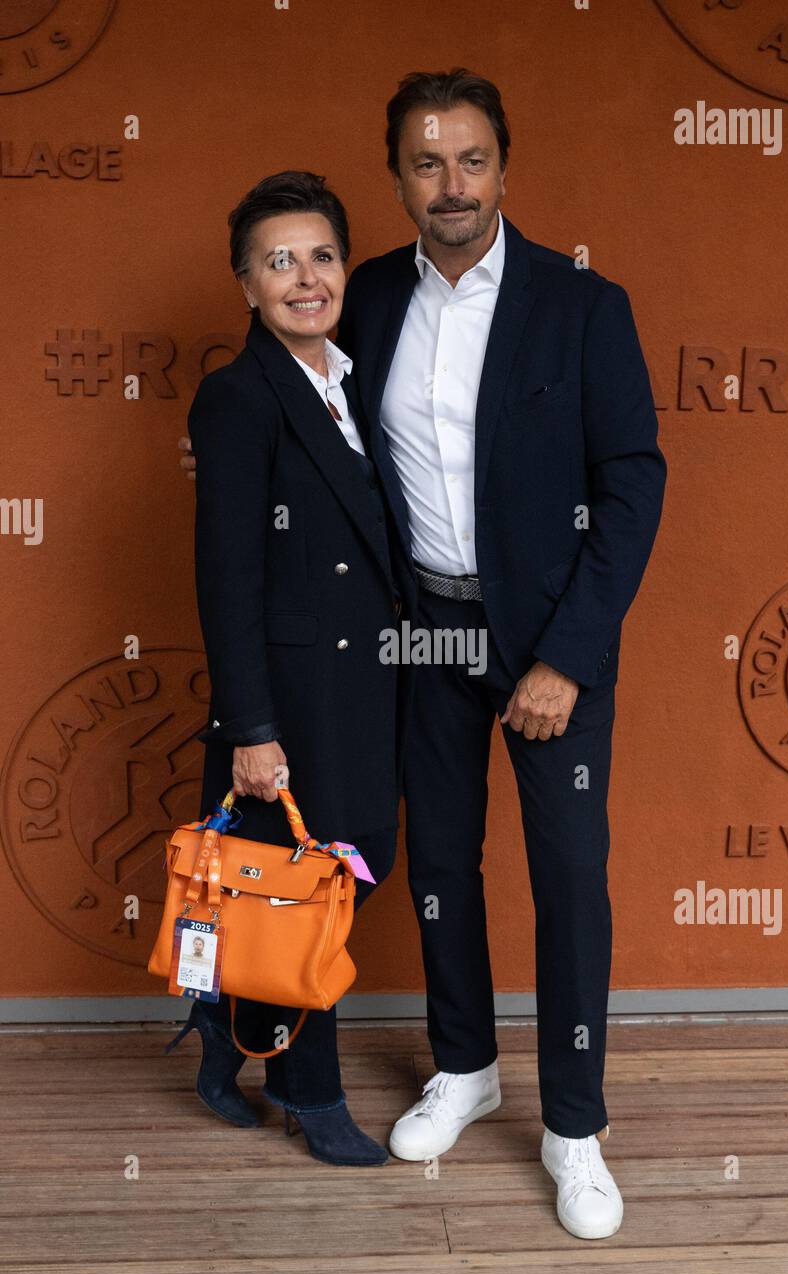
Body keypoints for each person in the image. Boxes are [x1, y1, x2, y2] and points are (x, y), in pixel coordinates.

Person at [181, 69, 667, 1239]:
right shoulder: (369, 297)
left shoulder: (581, 305)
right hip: (421, 635)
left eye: (470, 160)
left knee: (566, 884)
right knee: (439, 862)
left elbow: (632, 481)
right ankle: (463, 1067)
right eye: (423, 162)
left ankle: (573, 1124)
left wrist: (567, 655)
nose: (449, 185)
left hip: (547, 642)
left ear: (505, 165)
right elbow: (300, 426)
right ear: (395, 175)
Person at [166, 169, 414, 1166]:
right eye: (280, 262)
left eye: (320, 256)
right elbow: (225, 580)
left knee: (331, 876)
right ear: (245, 283)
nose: (305, 279)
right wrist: (250, 729)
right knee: (291, 894)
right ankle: (310, 1095)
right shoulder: (236, 397)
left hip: (363, 690)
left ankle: (223, 1045)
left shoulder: (350, 381)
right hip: (288, 704)